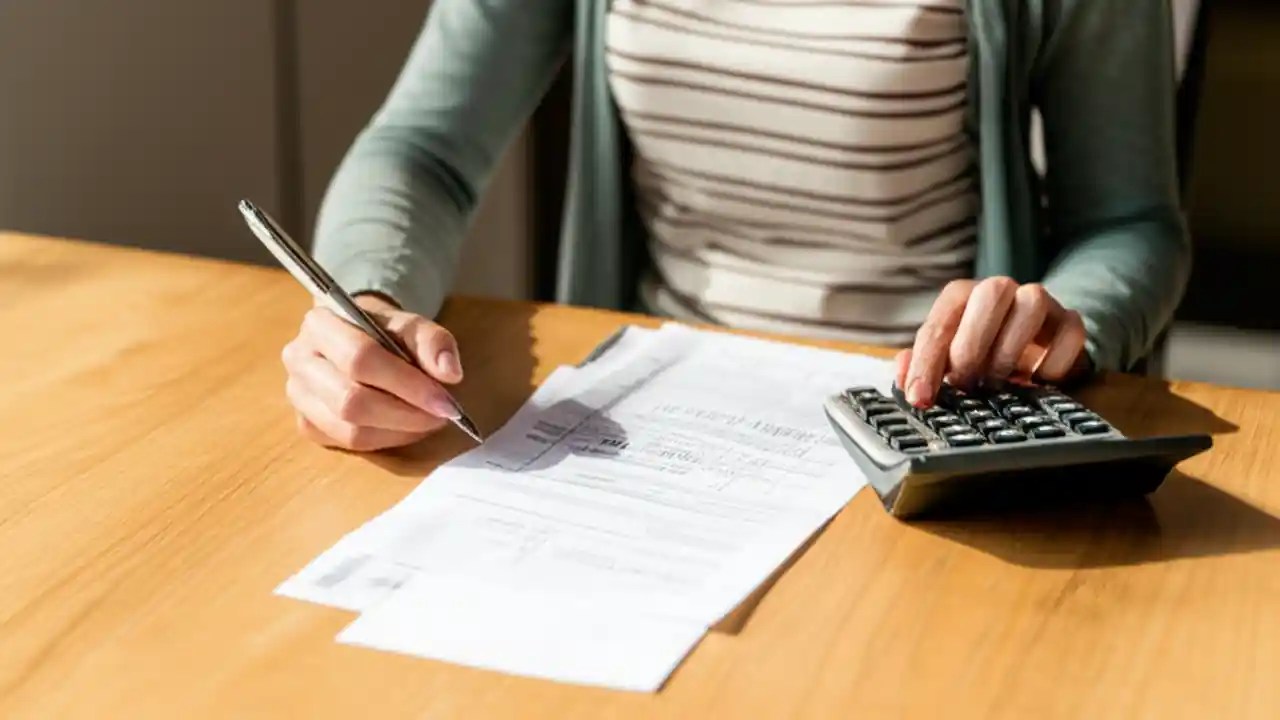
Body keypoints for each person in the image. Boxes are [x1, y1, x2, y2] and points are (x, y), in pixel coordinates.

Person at [280, 0, 1188, 452]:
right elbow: (427, 148)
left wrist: (1062, 319)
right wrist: (370, 303)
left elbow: (1132, 221)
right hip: (653, 426)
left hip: (927, 424)